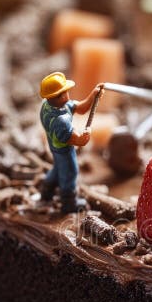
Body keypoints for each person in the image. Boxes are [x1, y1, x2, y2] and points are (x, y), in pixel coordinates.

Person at [39, 72, 103, 213]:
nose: (67, 96)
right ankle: (68, 203)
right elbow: (74, 139)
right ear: (55, 97)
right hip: (64, 150)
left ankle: (46, 190)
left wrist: (93, 95)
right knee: (70, 172)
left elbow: (80, 108)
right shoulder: (60, 120)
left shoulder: (47, 106)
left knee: (57, 169)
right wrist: (83, 137)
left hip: (54, 147)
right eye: (63, 93)